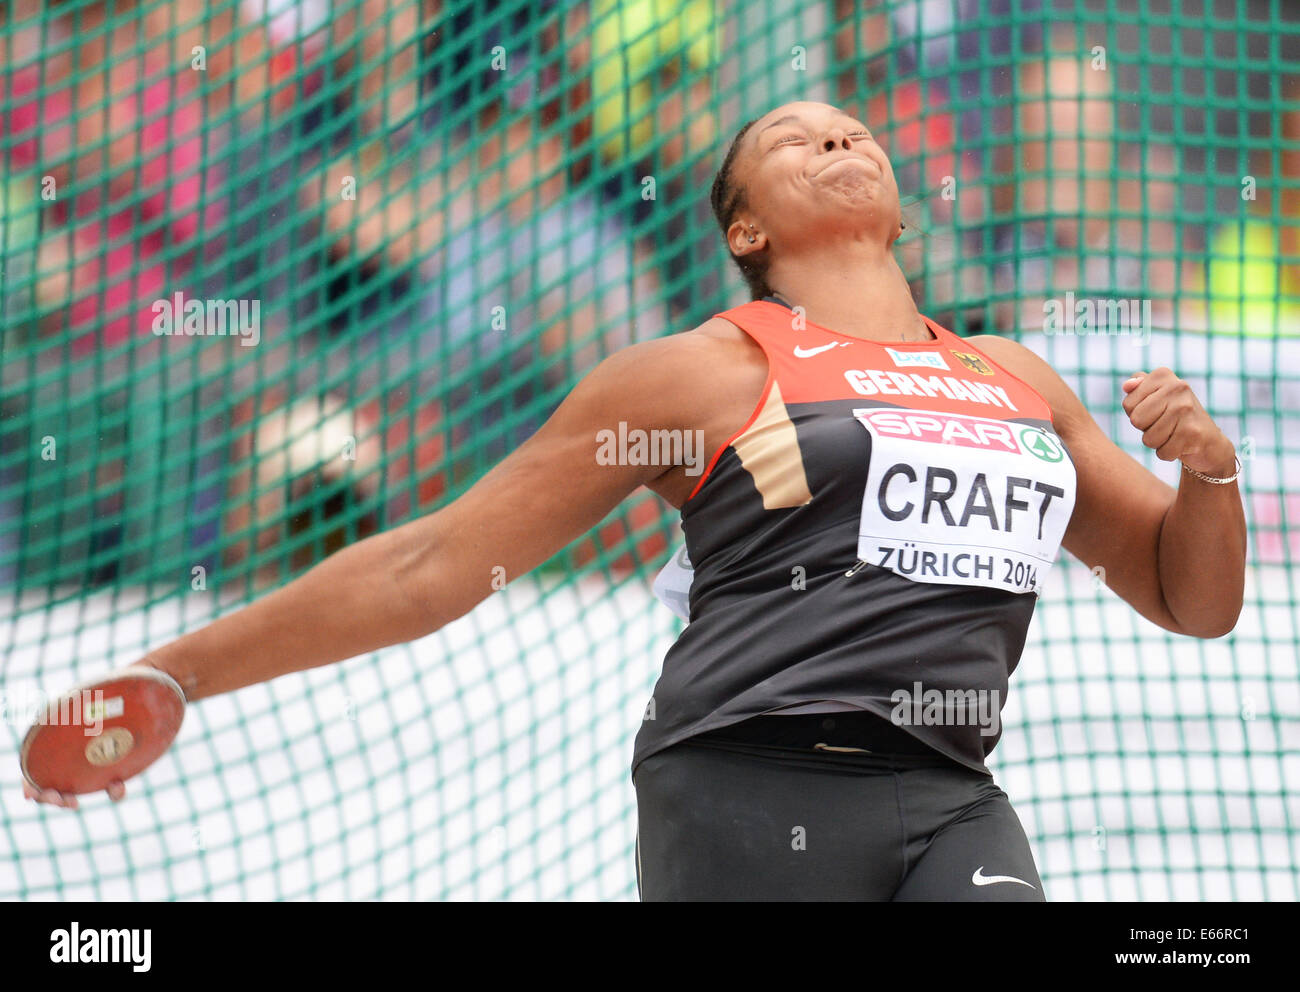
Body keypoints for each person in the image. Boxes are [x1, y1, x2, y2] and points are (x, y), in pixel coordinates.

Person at [25, 102, 1247, 905]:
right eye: (794, 141)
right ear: (746, 225)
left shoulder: (1011, 377)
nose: (836, 142)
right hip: (746, 783)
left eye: (850, 133)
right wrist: (179, 671)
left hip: (949, 789)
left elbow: (1189, 596)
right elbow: (435, 564)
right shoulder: (701, 372)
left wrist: (1208, 472)